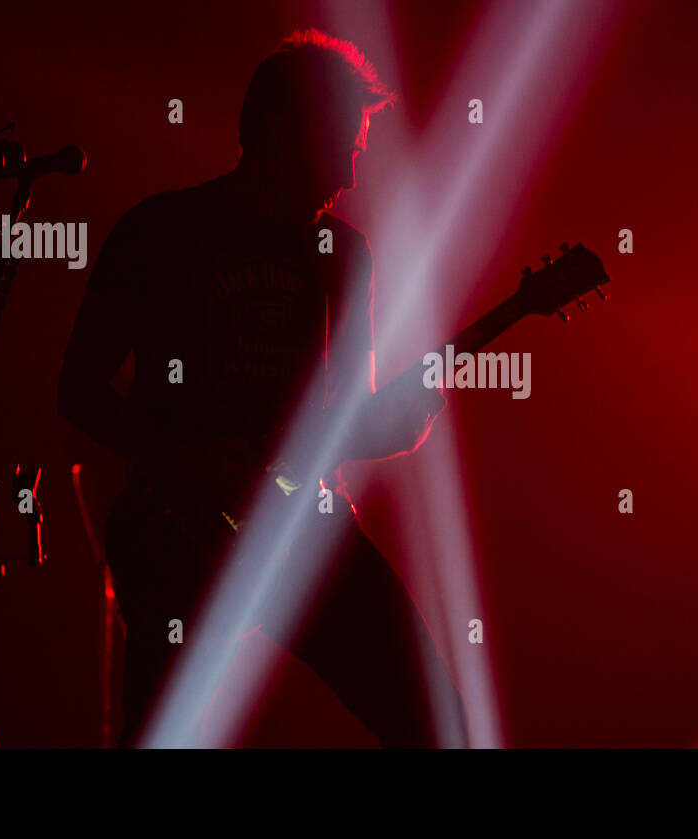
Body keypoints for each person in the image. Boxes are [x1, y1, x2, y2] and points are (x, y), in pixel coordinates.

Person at [58, 28, 468, 747]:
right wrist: (180, 462)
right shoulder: (163, 230)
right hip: (174, 532)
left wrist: (413, 413)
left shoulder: (345, 256)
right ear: (280, 130)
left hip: (302, 523)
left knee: (439, 723)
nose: (348, 172)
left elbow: (354, 418)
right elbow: (78, 390)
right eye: (342, 143)